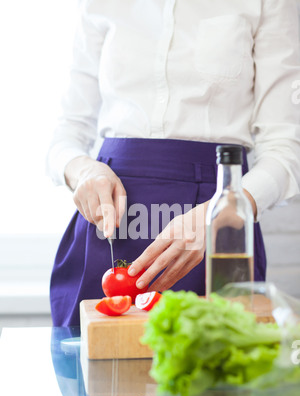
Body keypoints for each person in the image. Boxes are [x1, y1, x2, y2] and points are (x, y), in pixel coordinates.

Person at [47, 0, 300, 327]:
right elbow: (66, 133)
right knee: (90, 364)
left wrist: (220, 215)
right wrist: (84, 170)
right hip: (106, 229)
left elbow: (287, 150)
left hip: (215, 233)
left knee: (216, 367)